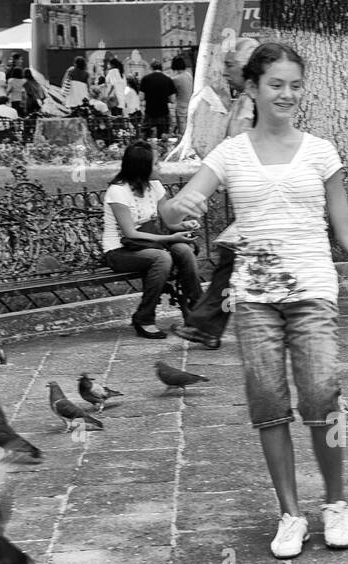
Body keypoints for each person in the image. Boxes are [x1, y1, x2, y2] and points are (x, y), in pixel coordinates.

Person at [160, 42, 348, 559]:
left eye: (295, 85)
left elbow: (346, 228)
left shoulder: (320, 151)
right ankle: (290, 515)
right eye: (276, 85)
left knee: (321, 397)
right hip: (256, 297)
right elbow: (174, 214)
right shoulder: (229, 153)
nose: (287, 94)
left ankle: (335, 504)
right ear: (253, 90)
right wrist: (178, 208)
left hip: (312, 291)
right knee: (268, 404)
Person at [168, 37, 258, 350]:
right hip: (251, 201)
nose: (225, 72)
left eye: (230, 65)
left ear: (248, 69)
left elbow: (241, 147)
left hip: (262, 202)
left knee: (233, 263)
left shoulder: (251, 103)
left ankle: (207, 324)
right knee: (233, 264)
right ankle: (208, 324)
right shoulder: (245, 100)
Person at [101, 141, 204, 340]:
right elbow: (130, 233)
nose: (160, 166)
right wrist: (169, 237)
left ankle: (198, 313)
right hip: (119, 251)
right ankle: (144, 318)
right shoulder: (118, 192)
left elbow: (169, 221)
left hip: (149, 244)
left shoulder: (155, 186)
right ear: (142, 168)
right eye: (155, 164)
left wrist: (185, 225)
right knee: (162, 259)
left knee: (183, 250)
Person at [140, 60, 176, 139]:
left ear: (151, 68)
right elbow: (173, 99)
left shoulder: (145, 79)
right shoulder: (168, 80)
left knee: (145, 137)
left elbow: (141, 97)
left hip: (149, 112)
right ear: (161, 68)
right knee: (163, 138)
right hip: (163, 112)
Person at [167, 55, 193, 135]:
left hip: (181, 107)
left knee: (183, 130)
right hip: (190, 104)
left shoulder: (175, 79)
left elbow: (171, 96)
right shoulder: (189, 75)